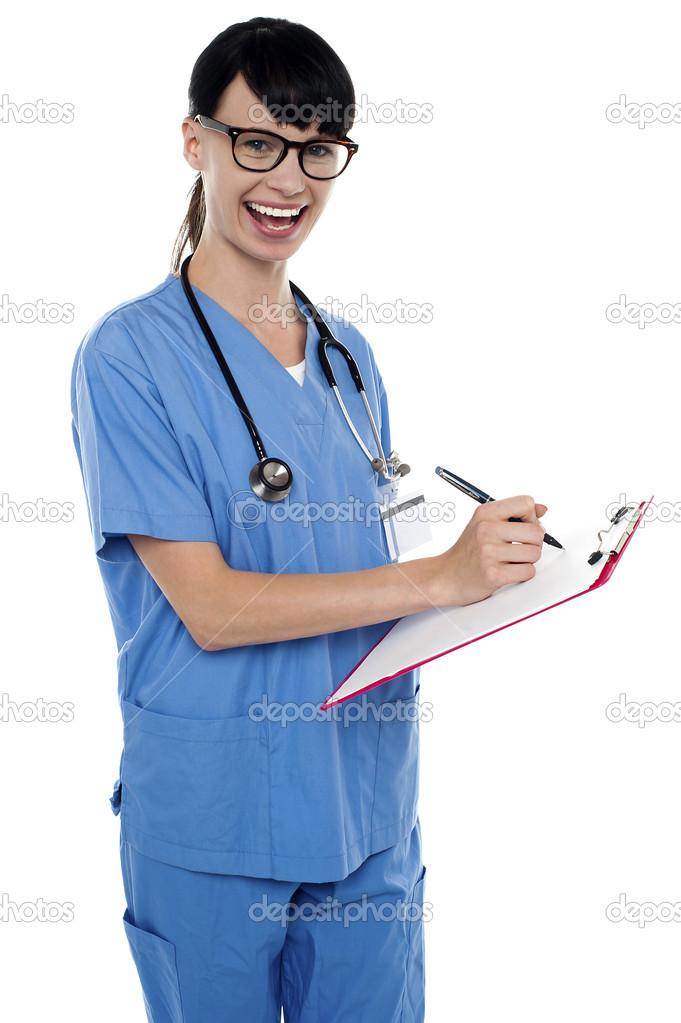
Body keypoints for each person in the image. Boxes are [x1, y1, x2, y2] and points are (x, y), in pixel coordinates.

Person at [70, 16, 547, 1023]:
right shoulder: (127, 357)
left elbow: (361, 572)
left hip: (366, 808)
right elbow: (211, 609)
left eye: (317, 149)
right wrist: (439, 576)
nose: (288, 179)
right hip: (213, 821)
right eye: (258, 142)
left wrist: (505, 573)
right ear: (194, 142)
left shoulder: (348, 355)